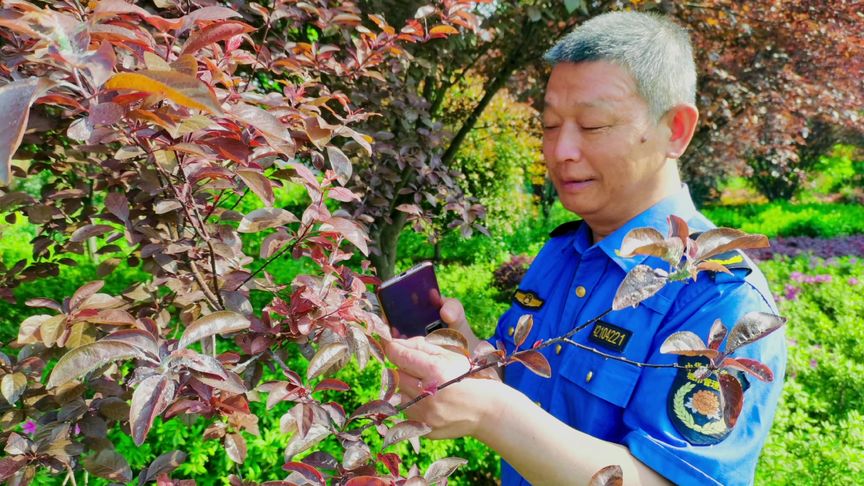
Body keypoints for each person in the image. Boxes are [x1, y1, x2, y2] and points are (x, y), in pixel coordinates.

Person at [384, 11, 786, 486]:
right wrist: (470, 358)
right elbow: (525, 389)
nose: (560, 151)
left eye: (592, 126)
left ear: (675, 129)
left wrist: (491, 413)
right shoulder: (563, 253)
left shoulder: (720, 300)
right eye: (550, 126)